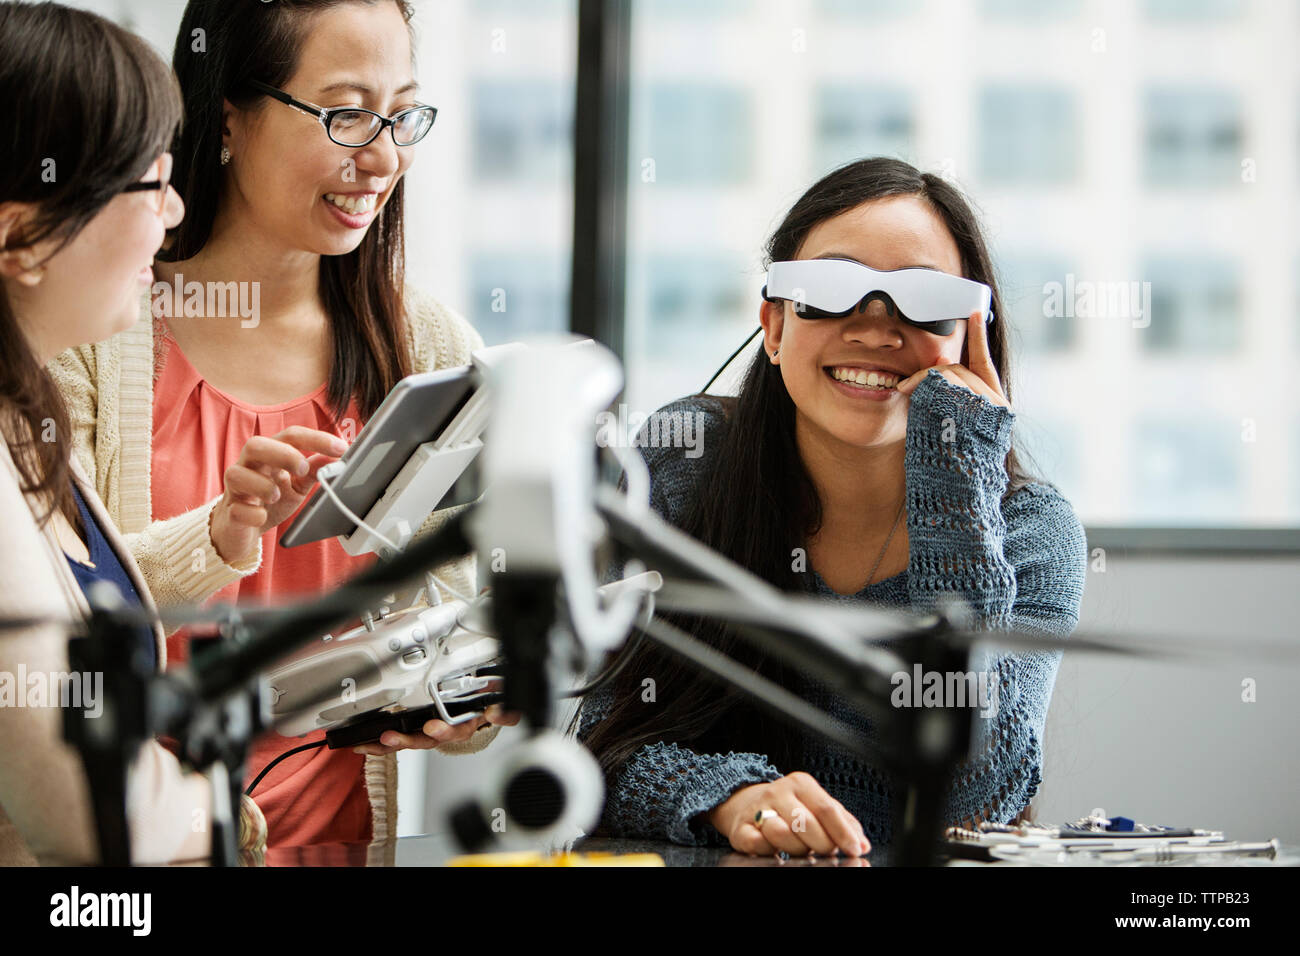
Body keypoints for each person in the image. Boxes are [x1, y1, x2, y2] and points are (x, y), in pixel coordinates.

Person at [49, 0, 513, 850]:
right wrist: (220, 535)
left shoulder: (429, 347)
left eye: (401, 114)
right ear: (230, 114)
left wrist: (468, 697)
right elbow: (57, 621)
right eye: (345, 114)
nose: (383, 157)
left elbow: (469, 607)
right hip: (138, 851)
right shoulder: (89, 335)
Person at [577, 157, 1088, 858]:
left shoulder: (1034, 531)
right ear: (774, 324)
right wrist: (733, 799)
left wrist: (959, 480)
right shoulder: (686, 461)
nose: (876, 328)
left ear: (974, 334)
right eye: (828, 289)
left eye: (925, 299)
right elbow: (596, 756)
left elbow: (977, 800)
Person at [0, 0, 266, 864]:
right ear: (24, 236)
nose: (177, 211)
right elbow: (90, 808)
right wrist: (216, 809)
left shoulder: (26, 416)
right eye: (151, 181)